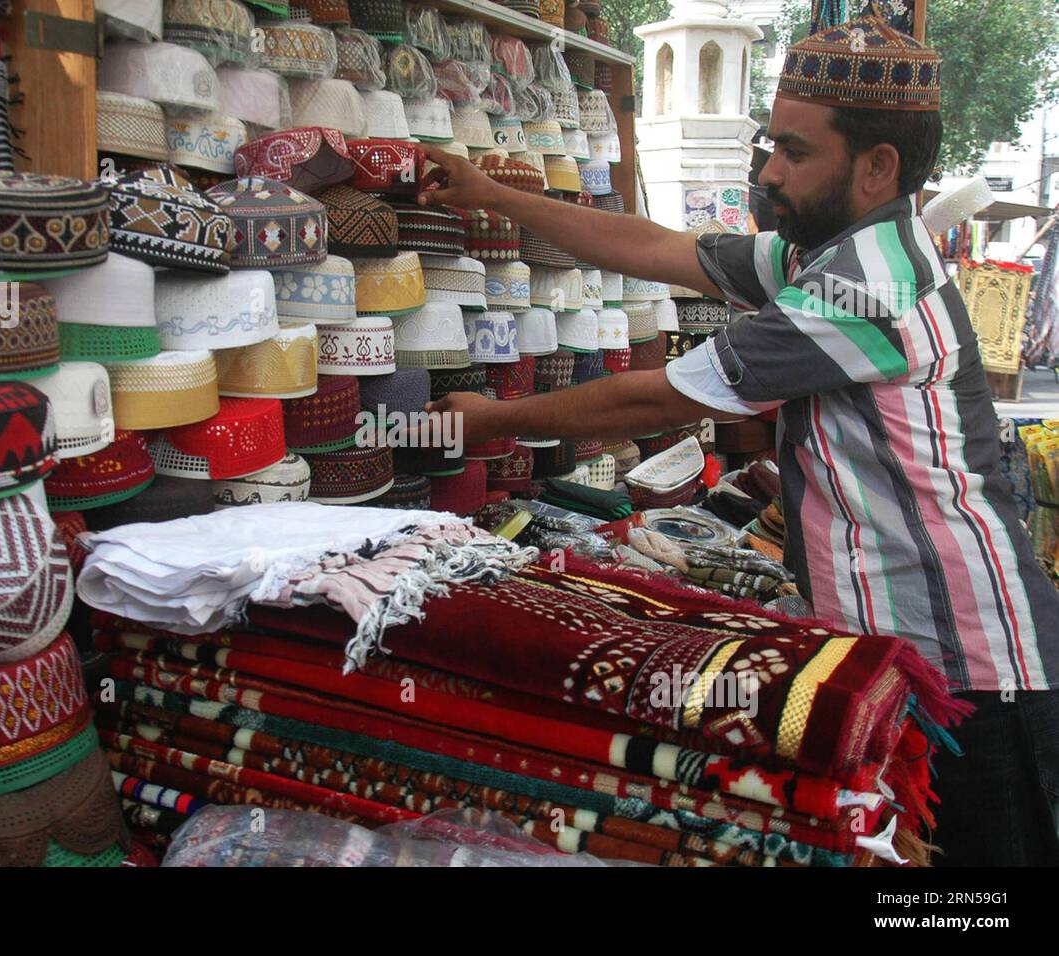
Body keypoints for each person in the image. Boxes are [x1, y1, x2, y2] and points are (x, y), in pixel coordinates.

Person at [417, 14, 1059, 866]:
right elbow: (658, 246)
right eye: (769, 146)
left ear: (877, 168)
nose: (770, 171)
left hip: (975, 670)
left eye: (795, 152)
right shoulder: (827, 254)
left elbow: (652, 399)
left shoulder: (864, 287)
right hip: (914, 651)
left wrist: (485, 420)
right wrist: (492, 194)